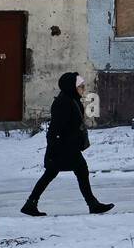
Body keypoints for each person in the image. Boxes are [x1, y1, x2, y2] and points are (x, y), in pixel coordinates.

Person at [21, 72, 114, 216]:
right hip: (63, 147)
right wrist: (55, 146)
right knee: (77, 171)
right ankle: (92, 204)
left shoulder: (72, 99)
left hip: (67, 146)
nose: (83, 88)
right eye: (80, 86)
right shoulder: (63, 102)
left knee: (56, 173)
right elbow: (56, 128)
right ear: (71, 87)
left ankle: (30, 203)